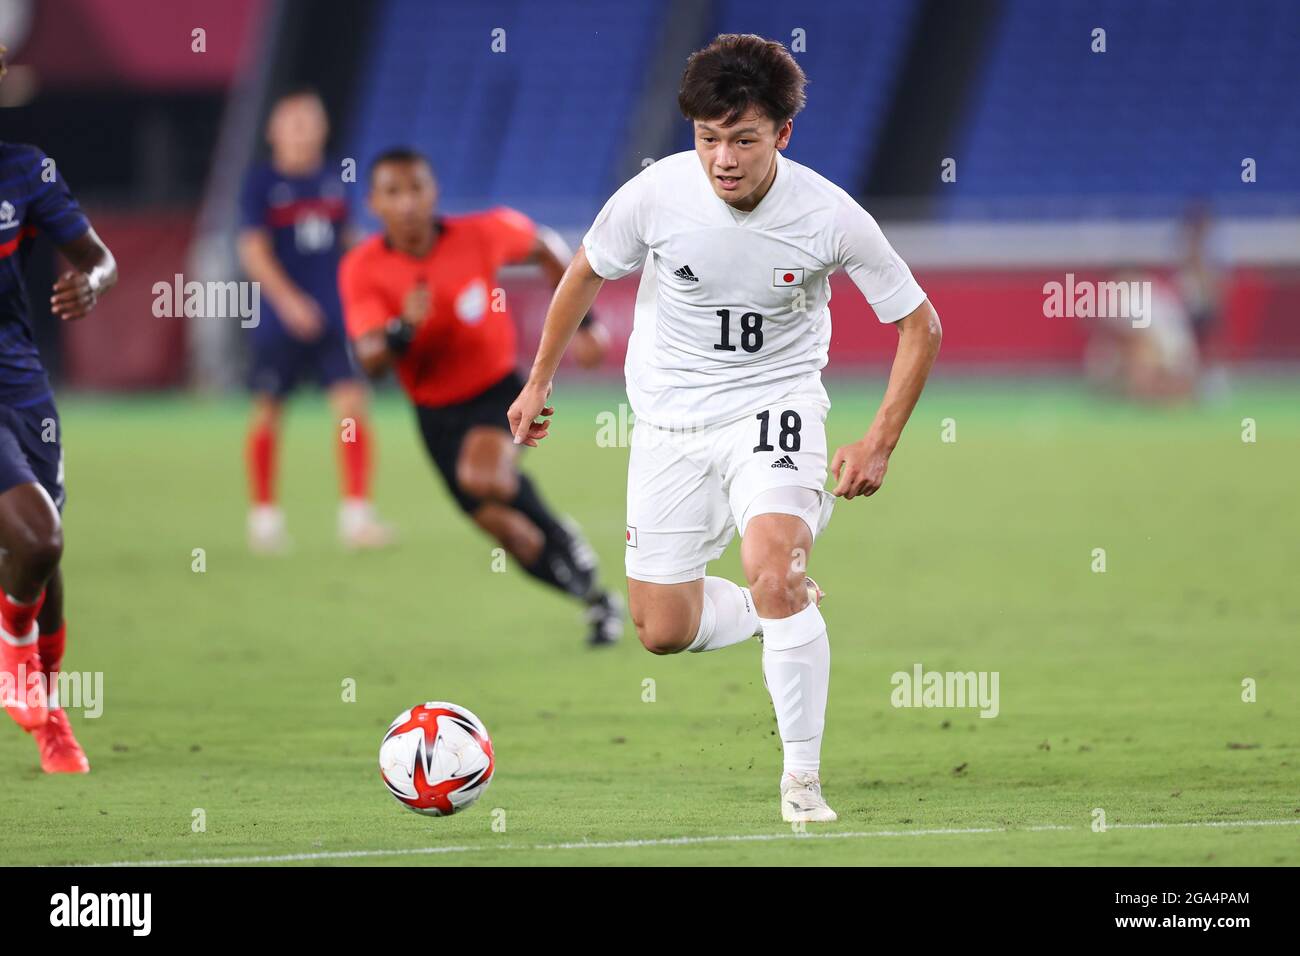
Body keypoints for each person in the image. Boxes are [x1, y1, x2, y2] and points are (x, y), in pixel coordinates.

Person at [508, 35, 943, 821]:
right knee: (661, 629)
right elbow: (584, 270)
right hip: (669, 423)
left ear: (782, 133)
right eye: (709, 139)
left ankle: (802, 782)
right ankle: (782, 604)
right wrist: (540, 377)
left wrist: (879, 438)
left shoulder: (828, 215)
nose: (723, 159)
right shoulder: (654, 196)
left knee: (771, 565)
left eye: (743, 139)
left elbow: (921, 324)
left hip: (774, 406)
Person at [338, 148, 622, 646]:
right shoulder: (363, 267)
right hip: (434, 415)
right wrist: (403, 329)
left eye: (415, 189)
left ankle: (566, 538)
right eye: (392, 192)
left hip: (498, 391)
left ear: (434, 192)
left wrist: (588, 323)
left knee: (483, 474)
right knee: (512, 536)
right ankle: (596, 601)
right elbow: (371, 360)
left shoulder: (480, 233)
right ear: (374, 203)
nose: (406, 203)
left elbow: (546, 247)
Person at [0, 46, 118, 772]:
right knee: (36, 537)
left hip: (19, 382)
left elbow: (97, 255)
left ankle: (48, 717)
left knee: (46, 555)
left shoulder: (25, 169)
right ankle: (13, 657)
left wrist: (92, 284)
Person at [238, 88, 392, 553]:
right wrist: (288, 303)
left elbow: (351, 243)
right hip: (279, 321)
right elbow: (253, 251)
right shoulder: (261, 184)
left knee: (351, 407)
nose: (305, 131)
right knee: (269, 409)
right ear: (275, 131)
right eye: (295, 122)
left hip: (334, 318)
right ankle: (264, 519)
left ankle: (356, 517)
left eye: (312, 121)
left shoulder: (334, 179)